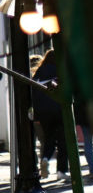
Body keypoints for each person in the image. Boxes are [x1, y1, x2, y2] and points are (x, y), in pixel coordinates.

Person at [30, 49, 64, 178]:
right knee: (62, 141)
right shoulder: (58, 70)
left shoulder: (39, 72)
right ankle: (61, 171)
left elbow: (33, 92)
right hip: (58, 109)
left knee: (48, 138)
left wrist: (37, 114)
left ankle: (45, 159)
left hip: (42, 112)